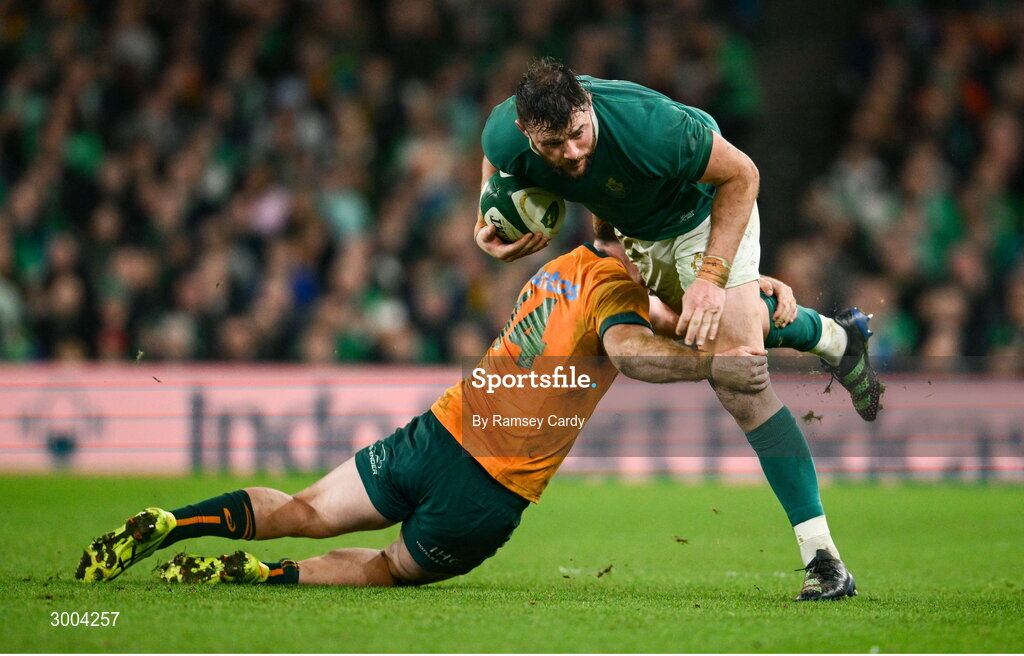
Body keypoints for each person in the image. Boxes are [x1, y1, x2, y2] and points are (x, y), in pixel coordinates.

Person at [75, 229, 851, 599]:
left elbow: (675, 311)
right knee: (385, 567)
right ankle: (265, 576)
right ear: (628, 245)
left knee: (305, 507)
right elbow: (635, 350)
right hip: (487, 492)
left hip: (434, 432)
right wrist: (725, 357)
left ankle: (179, 525)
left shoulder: (559, 270)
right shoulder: (617, 291)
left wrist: (756, 294)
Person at [474, 58, 872, 599]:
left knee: (741, 379)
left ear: (588, 108)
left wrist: (713, 276)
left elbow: (743, 174)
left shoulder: (649, 125)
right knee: (710, 331)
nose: (570, 153)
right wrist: (486, 221)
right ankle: (838, 339)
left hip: (705, 213)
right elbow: (493, 165)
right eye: (553, 145)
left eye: (578, 134)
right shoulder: (505, 133)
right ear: (525, 131)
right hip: (637, 230)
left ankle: (824, 560)